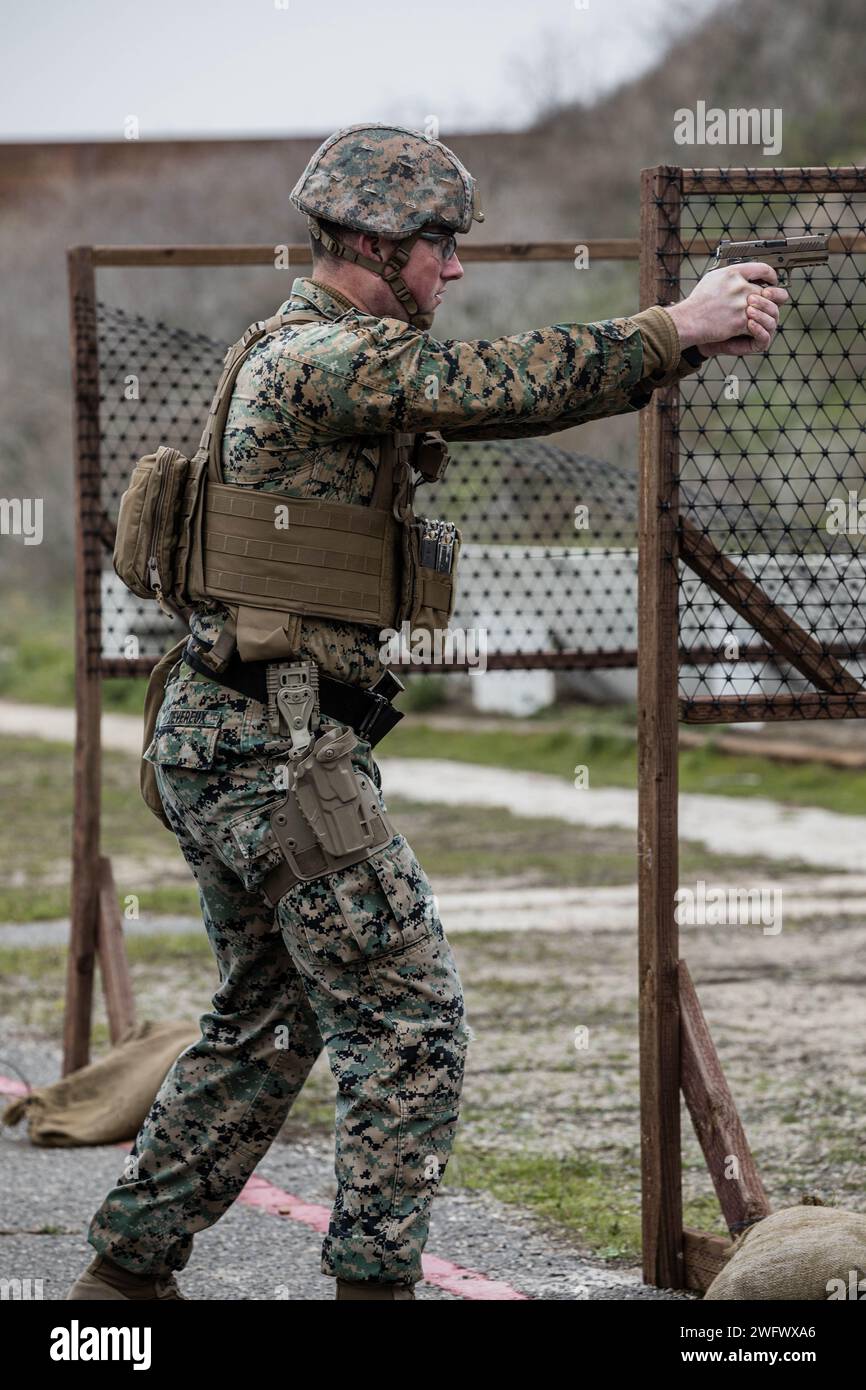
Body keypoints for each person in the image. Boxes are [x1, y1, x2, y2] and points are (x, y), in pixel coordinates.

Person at [67, 123, 787, 1302]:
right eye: (438, 245)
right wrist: (676, 326)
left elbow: (493, 392)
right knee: (409, 1021)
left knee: (269, 1020)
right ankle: (371, 1291)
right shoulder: (322, 360)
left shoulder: (307, 350)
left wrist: (681, 346)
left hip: (235, 733)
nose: (453, 268)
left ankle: (123, 1279)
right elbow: (504, 386)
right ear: (367, 241)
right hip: (271, 748)